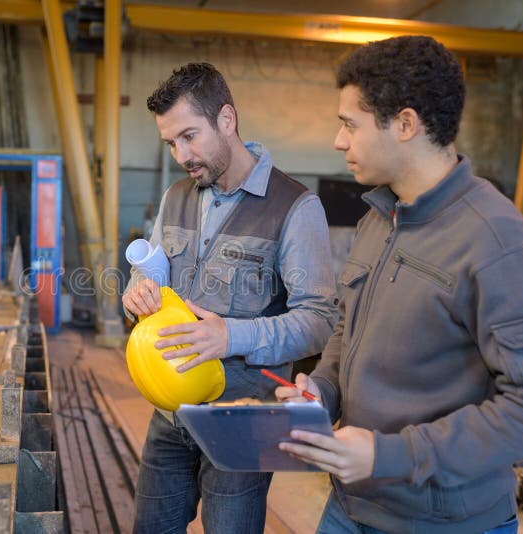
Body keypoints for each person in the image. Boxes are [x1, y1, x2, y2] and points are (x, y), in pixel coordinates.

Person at [276, 35, 523, 534]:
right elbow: (349, 328)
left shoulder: (497, 242)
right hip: (350, 507)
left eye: (350, 124)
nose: (338, 141)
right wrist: (321, 390)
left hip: (445, 523)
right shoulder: (379, 217)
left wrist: (391, 454)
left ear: (406, 124)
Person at [122, 62, 338, 533]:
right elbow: (151, 268)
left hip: (244, 418)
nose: (181, 155)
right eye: (171, 143)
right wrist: (137, 290)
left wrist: (231, 337)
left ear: (226, 120)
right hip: (171, 412)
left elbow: (320, 319)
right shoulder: (176, 195)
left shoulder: (295, 208)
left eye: (189, 136)